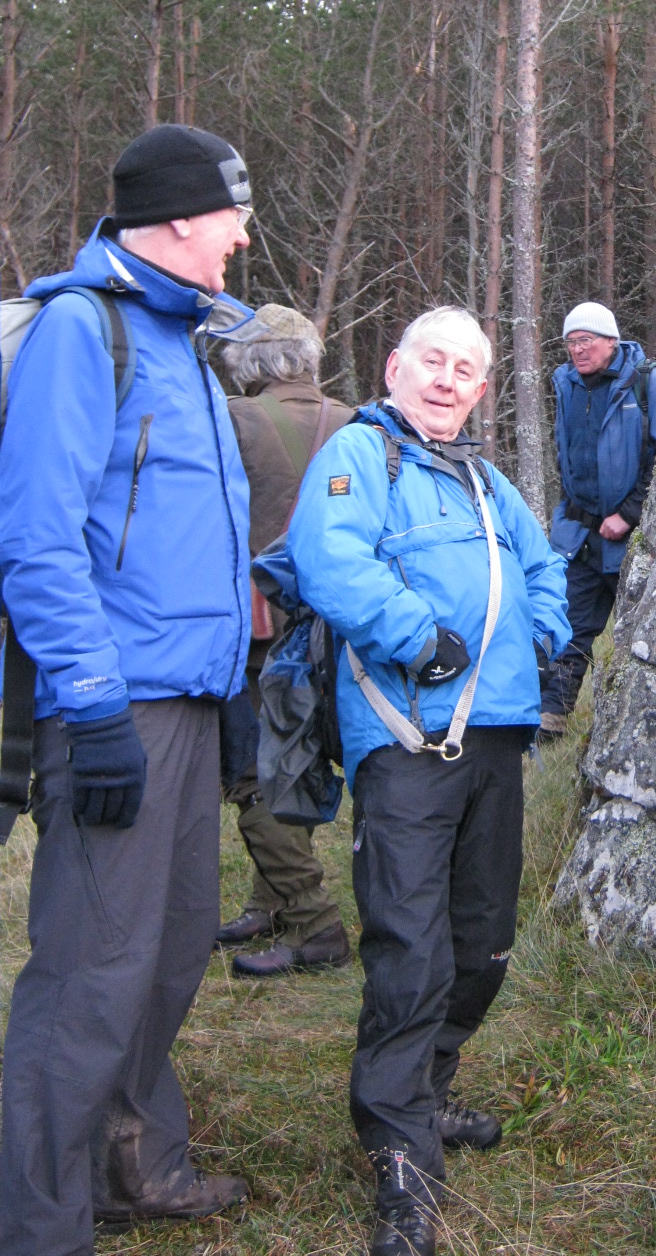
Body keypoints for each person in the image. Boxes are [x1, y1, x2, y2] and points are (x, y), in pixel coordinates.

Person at [0, 123, 257, 1253]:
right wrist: (94, 705)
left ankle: (135, 1163)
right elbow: (40, 541)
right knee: (90, 972)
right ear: (181, 217)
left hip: (192, 703)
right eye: (235, 213)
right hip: (118, 708)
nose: (245, 236)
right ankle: (37, 1219)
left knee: (171, 946)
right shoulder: (80, 330)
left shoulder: (184, 341)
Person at [285, 306, 571, 1256]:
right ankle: (400, 1156)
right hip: (406, 742)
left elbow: (544, 568)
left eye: (468, 370)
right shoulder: (362, 458)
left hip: (495, 740)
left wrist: (542, 635)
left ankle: (428, 1088)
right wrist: (422, 640)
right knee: (410, 944)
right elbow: (328, 560)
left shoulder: (490, 483)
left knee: (482, 940)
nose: (448, 381)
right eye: (433, 363)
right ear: (395, 367)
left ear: (483, 389)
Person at [215, 303, 354, 976]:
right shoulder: (356, 423)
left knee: (255, 774)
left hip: (258, 628)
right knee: (294, 757)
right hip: (334, 626)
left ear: (248, 361)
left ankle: (312, 921)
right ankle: (266, 904)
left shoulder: (234, 421)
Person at [540, 302, 656, 734]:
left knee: (637, 634)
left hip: (630, 536)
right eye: (571, 343)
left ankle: (632, 725)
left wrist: (629, 514)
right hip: (579, 534)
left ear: (611, 342)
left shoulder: (647, 383)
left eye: (586, 341)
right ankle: (550, 721)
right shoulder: (567, 385)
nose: (578, 351)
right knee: (569, 628)